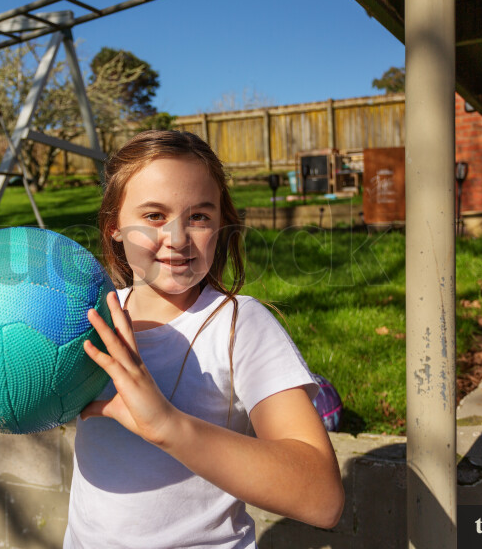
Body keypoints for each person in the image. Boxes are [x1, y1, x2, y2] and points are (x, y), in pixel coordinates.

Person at [64, 130, 344, 548]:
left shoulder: (239, 325)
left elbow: (323, 499)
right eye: (154, 216)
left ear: (220, 226)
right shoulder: (88, 318)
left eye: (198, 216)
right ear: (114, 228)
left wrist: (168, 425)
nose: (177, 239)